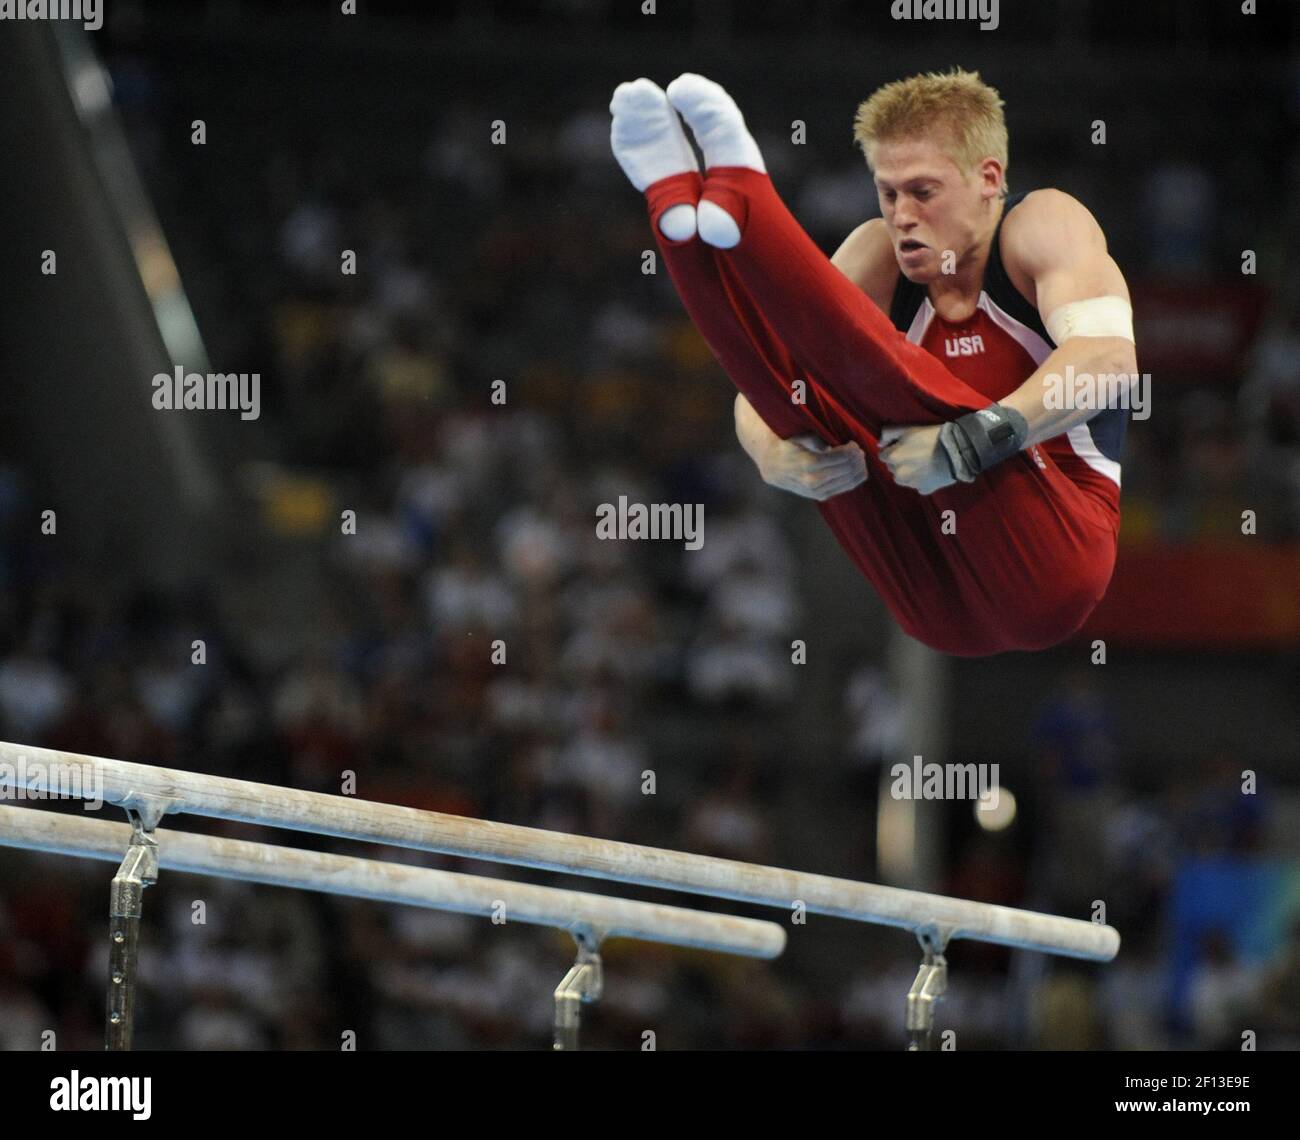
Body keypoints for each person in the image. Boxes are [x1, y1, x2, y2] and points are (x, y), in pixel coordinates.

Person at [609, 70, 1138, 655]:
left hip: (1052, 570)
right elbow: (760, 390)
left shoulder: (1042, 227)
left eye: (923, 191)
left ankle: (748, 192)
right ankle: (673, 205)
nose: (901, 215)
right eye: (887, 193)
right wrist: (773, 454)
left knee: (882, 374)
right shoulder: (879, 252)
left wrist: (975, 439)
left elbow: (1109, 361)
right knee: (799, 395)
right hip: (931, 605)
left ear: (989, 179)